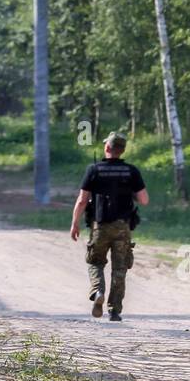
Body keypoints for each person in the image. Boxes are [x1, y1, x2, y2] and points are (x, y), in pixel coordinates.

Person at [69, 131, 149, 322]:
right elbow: (144, 200)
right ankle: (114, 310)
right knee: (119, 269)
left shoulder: (94, 170)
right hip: (123, 227)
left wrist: (75, 223)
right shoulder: (131, 171)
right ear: (122, 150)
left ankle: (97, 291)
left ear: (106, 148)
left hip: (100, 225)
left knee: (95, 262)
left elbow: (82, 200)